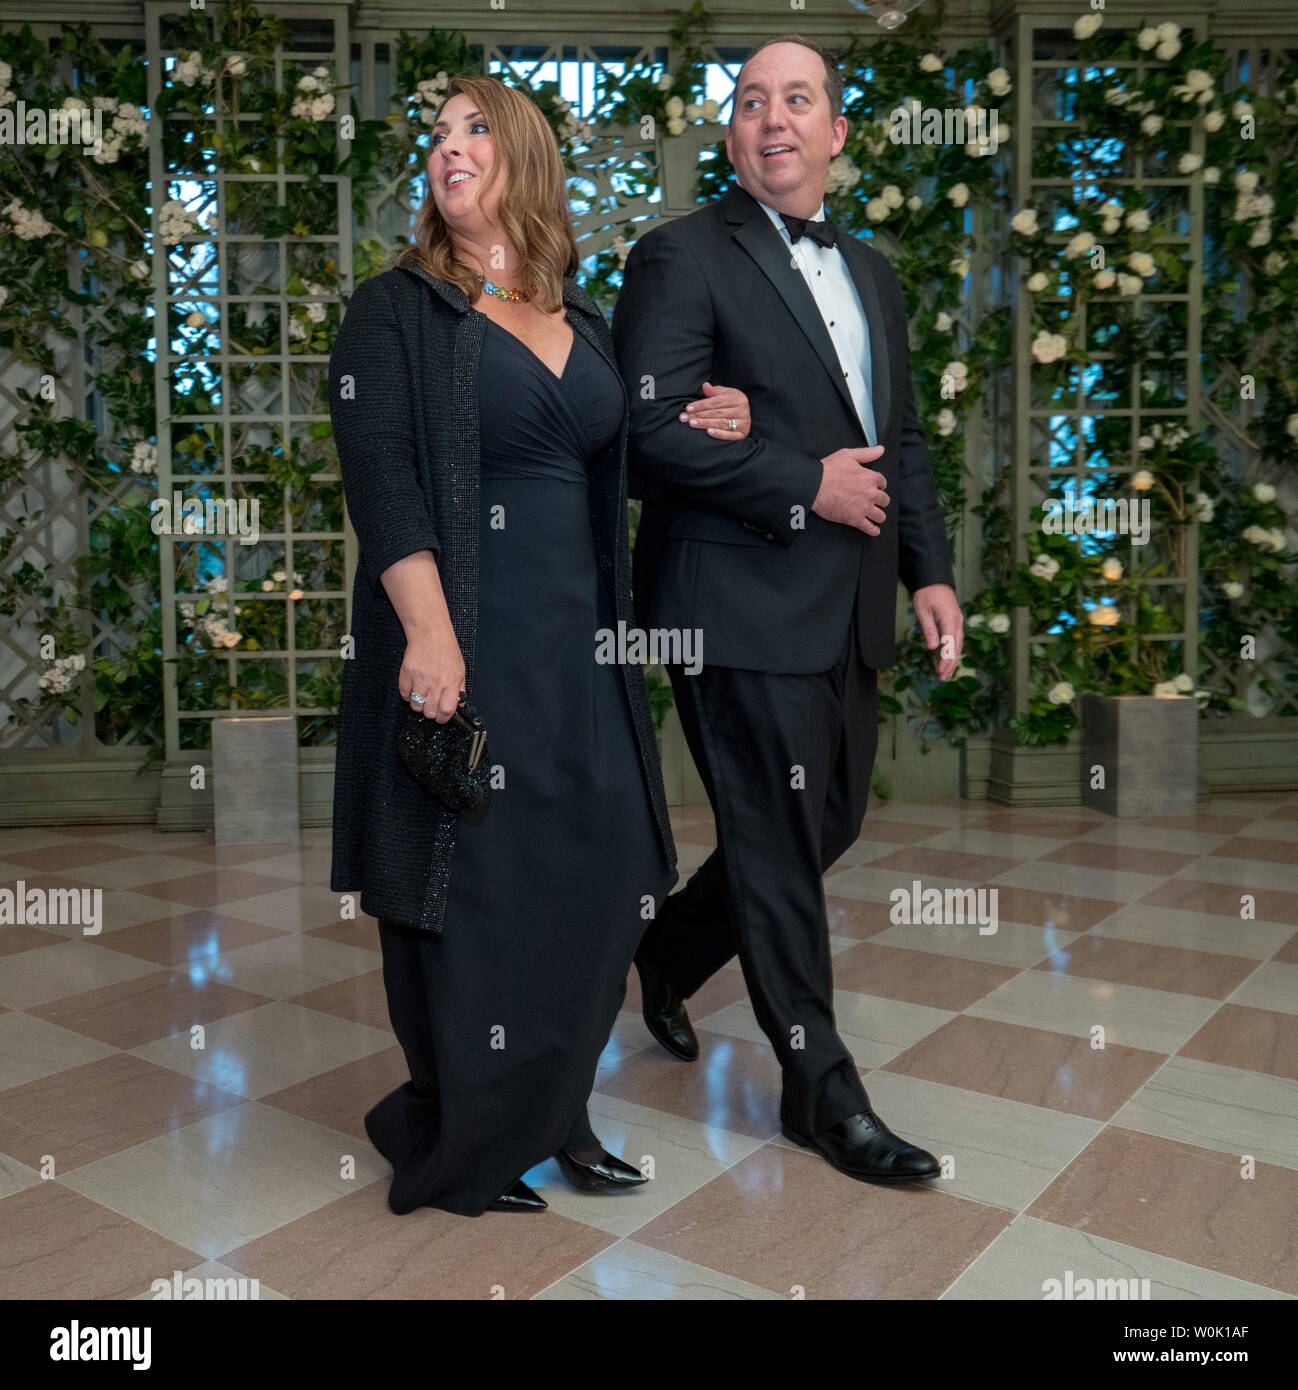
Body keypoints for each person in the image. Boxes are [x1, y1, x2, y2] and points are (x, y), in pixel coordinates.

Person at [328, 74, 756, 1216]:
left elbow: (622, 453)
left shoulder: (582, 318)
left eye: (473, 128)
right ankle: (478, 1127)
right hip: (465, 644)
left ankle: (552, 1105)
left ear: (524, 155)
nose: (446, 148)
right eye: (434, 135)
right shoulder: (397, 310)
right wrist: (427, 632)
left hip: (584, 653)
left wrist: (716, 421)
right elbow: (382, 479)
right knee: (473, 888)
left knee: (607, 879)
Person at [612, 34, 964, 1185]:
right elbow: (646, 432)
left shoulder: (874, 275)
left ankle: (663, 947)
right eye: (751, 101)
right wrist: (798, 475)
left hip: (849, 603)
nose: (773, 119)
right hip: (731, 598)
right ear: (731, 134)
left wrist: (929, 570)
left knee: (825, 829)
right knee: (772, 846)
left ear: (834, 132)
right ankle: (823, 1093)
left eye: (797, 99)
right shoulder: (677, 256)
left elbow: (900, 441)